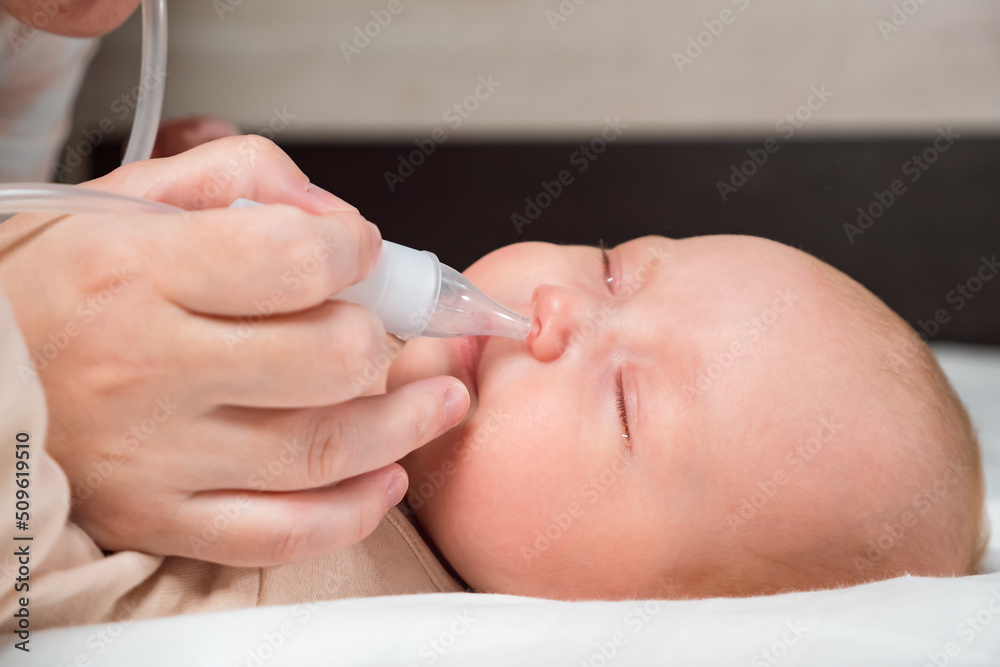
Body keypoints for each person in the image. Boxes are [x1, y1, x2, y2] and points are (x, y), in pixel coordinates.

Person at [2, 219, 986, 632]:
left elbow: (31, 571)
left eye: (625, 405)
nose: (557, 306)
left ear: (641, 619)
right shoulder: (366, 361)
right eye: (612, 266)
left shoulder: (310, 588)